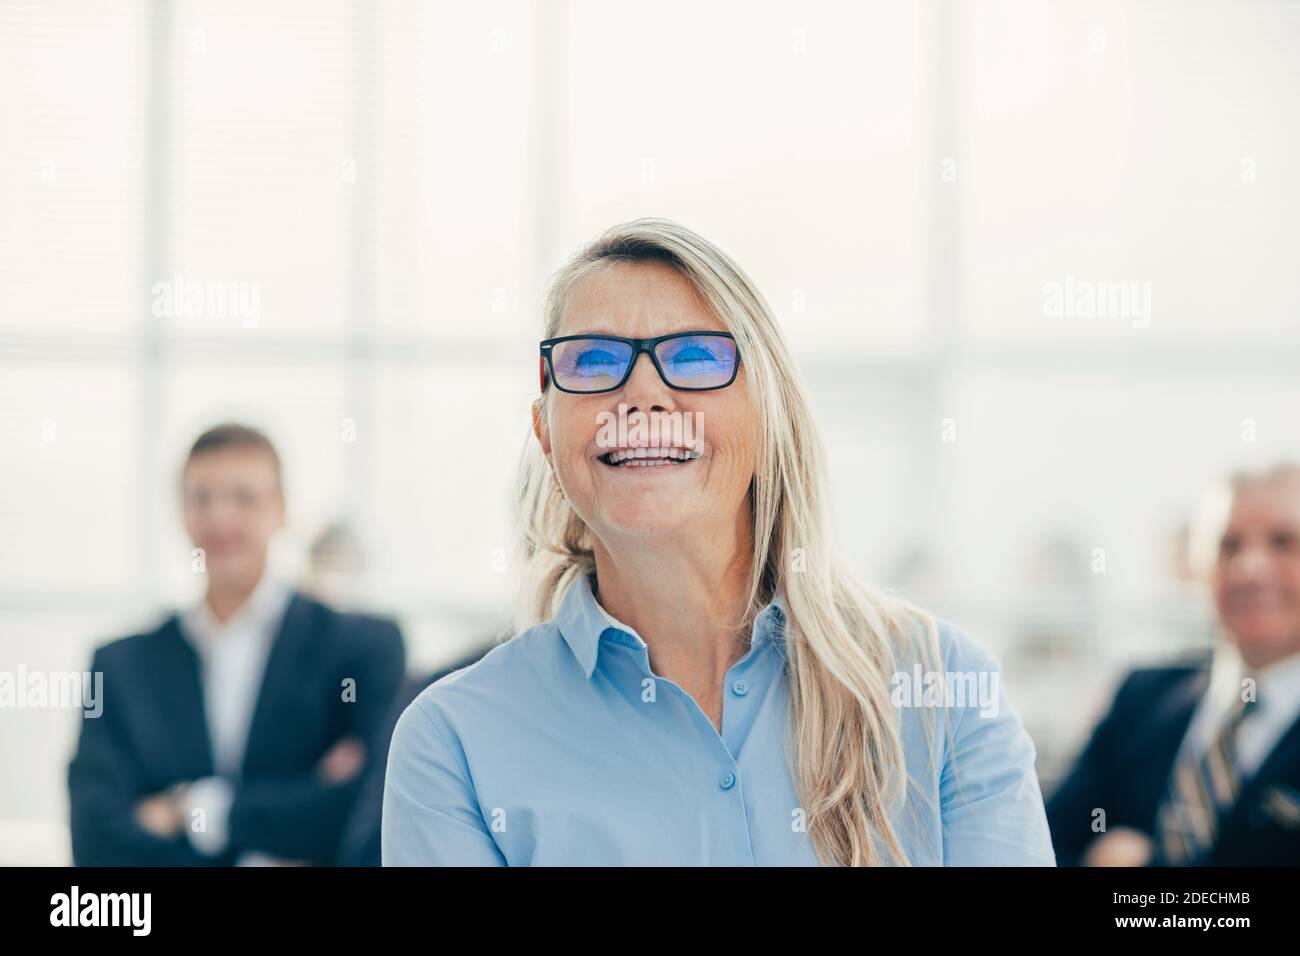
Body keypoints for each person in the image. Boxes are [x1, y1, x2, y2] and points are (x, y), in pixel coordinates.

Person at [381, 218, 1054, 866]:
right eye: (592, 360)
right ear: (545, 427)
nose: (642, 393)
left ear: (767, 411)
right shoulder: (455, 743)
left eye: (696, 356)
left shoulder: (940, 688)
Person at [68, 423, 406, 865]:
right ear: (182, 514)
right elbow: (96, 841)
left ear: (281, 510)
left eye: (244, 498)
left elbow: (366, 814)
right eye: (201, 499)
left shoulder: (362, 649)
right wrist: (299, 803)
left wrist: (191, 808)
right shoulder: (120, 666)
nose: (221, 520)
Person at [1048, 462, 1300, 866]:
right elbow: (1043, 841)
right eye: (1228, 544)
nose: (1249, 568)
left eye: (1284, 542)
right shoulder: (1142, 697)